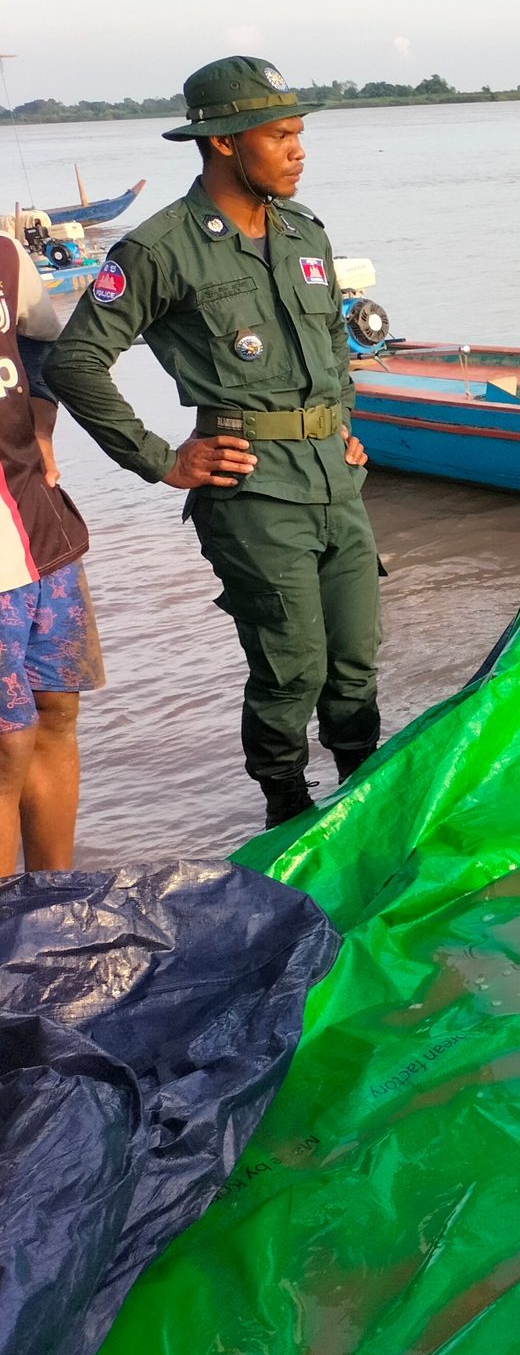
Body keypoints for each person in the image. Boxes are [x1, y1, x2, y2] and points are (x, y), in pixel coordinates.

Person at [46, 56, 377, 828]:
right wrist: (163, 460)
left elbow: (333, 337)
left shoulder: (305, 231)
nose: (299, 149)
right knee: (291, 672)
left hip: (336, 482)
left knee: (356, 665)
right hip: (254, 493)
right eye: (282, 134)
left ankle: (365, 806)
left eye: (300, 133)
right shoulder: (162, 248)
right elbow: (76, 361)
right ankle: (288, 817)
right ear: (225, 141)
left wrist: (345, 424)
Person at [0, 235, 100, 872]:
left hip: (37, 526)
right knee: (4, 745)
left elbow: (44, 344)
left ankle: (53, 907)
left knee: (56, 711)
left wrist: (41, 428)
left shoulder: (7, 255)